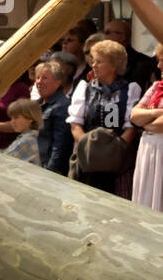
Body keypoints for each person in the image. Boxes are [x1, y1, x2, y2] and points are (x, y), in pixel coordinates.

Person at [69, 38, 142, 196]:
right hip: (87, 158)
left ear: (114, 66)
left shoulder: (130, 90)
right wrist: (90, 149)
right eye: (93, 61)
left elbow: (131, 128)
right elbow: (75, 125)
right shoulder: (84, 89)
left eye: (99, 62)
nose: (93, 65)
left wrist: (112, 153)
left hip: (117, 162)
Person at [129, 43, 163, 210]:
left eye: (162, 60)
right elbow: (134, 116)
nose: (159, 66)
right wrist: (157, 113)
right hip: (148, 148)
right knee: (145, 195)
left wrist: (146, 121)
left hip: (161, 150)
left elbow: (161, 126)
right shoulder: (156, 87)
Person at [31, 60, 74, 175]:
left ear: (58, 81)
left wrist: (50, 172)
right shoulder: (37, 105)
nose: (39, 82)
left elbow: (60, 145)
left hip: (48, 170)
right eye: (37, 77)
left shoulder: (63, 106)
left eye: (44, 78)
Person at [1, 98, 42, 165]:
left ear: (30, 118)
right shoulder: (28, 137)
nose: (12, 122)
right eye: (11, 118)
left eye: (16, 117)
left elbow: (4, 160)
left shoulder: (27, 140)